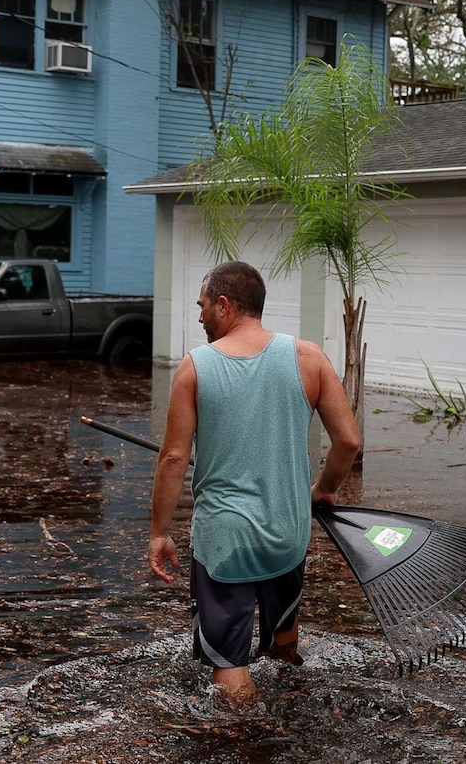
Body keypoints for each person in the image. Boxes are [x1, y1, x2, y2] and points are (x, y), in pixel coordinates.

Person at [149, 261, 362, 704]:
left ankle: (246, 737)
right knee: (283, 640)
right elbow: (348, 441)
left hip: (225, 540)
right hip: (288, 532)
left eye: (203, 306)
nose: (201, 315)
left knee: (230, 663)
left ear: (224, 305)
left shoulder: (195, 368)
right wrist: (322, 490)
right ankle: (291, 713)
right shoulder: (309, 358)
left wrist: (158, 533)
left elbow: (173, 458)